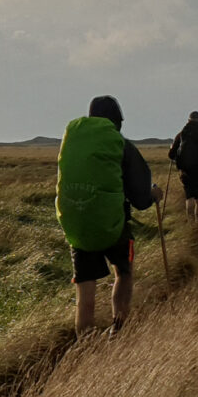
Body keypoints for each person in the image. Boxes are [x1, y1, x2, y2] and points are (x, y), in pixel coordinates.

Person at [56, 95, 165, 335]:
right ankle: (119, 329)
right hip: (112, 224)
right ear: (117, 120)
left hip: (77, 226)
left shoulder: (72, 141)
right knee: (123, 273)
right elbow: (138, 197)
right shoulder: (121, 144)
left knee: (85, 293)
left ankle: (83, 347)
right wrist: (152, 195)